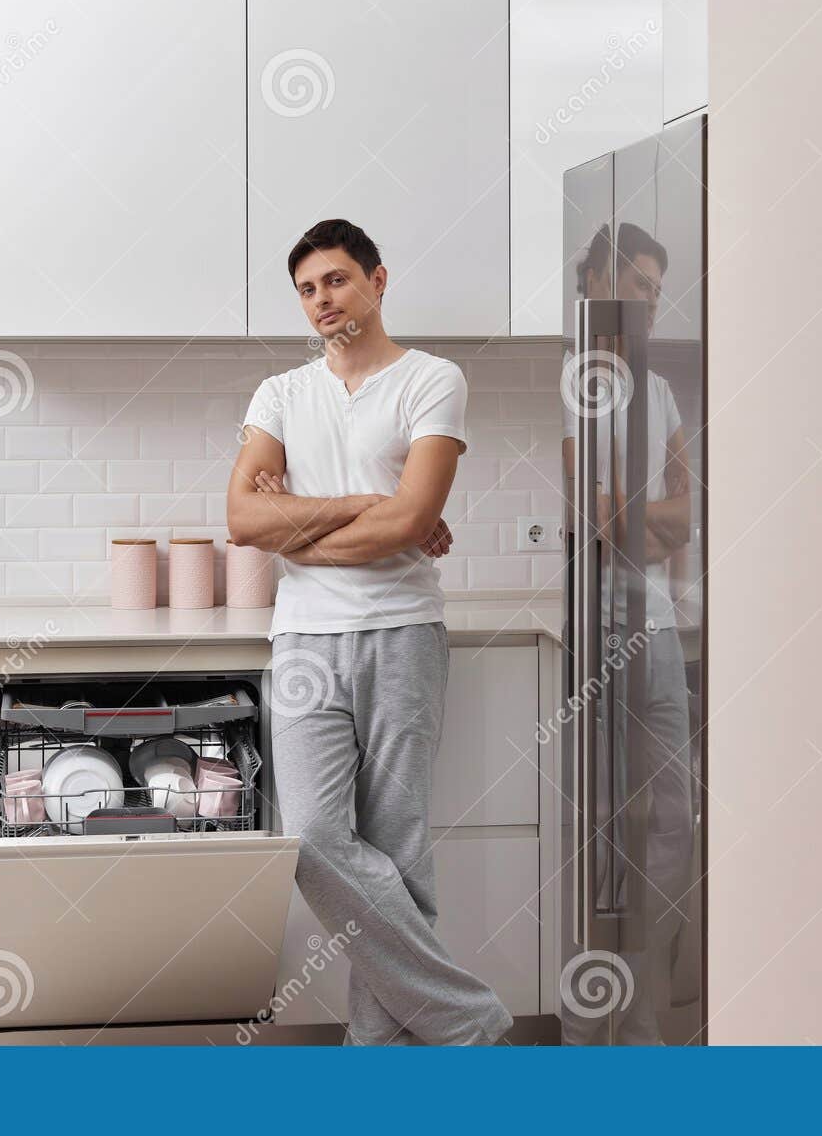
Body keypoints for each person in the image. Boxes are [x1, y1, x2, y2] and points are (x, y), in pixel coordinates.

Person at [227, 218, 513, 1046]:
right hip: (306, 638)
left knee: (398, 847)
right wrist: (367, 506)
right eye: (309, 288)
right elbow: (243, 519)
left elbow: (416, 517)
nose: (323, 299)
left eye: (338, 280)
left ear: (378, 282)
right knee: (316, 838)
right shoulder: (279, 394)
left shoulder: (433, 380)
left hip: (401, 633)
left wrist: (307, 522)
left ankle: (377, 1058)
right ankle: (468, 1019)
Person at [560, 222, 698, 1045]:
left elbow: (682, 521)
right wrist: (638, 520)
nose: (648, 299)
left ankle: (642, 1022)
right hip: (596, 630)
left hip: (653, 626)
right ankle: (589, 1031)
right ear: (599, 278)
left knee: (673, 823)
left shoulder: (663, 391)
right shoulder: (576, 376)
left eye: (656, 288)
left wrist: (634, 518)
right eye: (638, 283)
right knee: (603, 834)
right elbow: (593, 518)